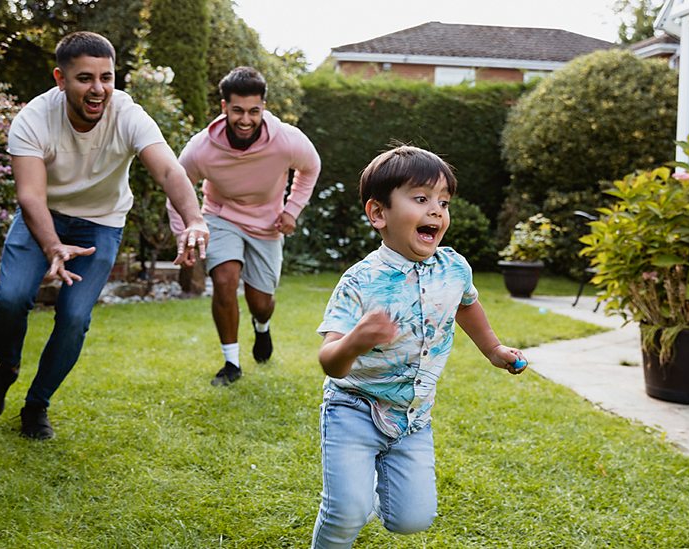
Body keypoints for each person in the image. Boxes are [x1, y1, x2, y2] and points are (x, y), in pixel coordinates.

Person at [0, 31, 209, 440]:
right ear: (60, 79)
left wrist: (194, 219)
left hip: (101, 223)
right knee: (11, 299)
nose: (98, 89)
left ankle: (36, 405)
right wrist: (52, 245)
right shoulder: (33, 118)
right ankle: (6, 366)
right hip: (43, 219)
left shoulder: (128, 114)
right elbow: (30, 195)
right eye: (85, 78)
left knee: (75, 317)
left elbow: (171, 170)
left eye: (107, 77)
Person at [311, 146, 527, 547]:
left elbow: (467, 305)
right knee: (346, 512)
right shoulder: (359, 282)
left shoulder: (454, 268)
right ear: (379, 214)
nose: (436, 211)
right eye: (421, 199)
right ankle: (353, 496)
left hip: (413, 418)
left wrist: (494, 350)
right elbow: (329, 362)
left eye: (443, 202)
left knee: (413, 518)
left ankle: (367, 485)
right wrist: (356, 341)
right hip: (353, 409)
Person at [166, 66, 320, 386]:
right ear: (224, 108)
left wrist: (291, 211)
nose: (246, 119)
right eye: (237, 110)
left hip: (267, 224)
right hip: (220, 217)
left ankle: (261, 327)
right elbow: (176, 186)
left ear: (264, 106)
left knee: (261, 303)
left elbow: (311, 167)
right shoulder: (202, 148)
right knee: (224, 280)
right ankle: (231, 363)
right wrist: (185, 234)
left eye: (253, 111)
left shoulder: (286, 140)